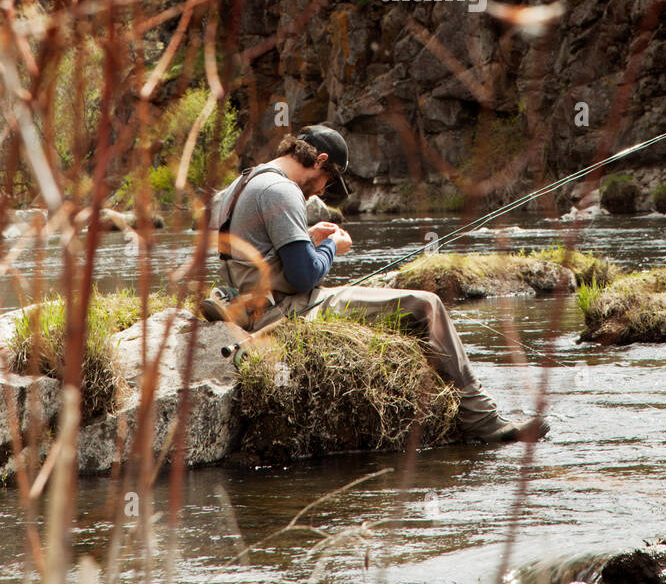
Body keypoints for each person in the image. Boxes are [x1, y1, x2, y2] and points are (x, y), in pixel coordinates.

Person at [202, 124, 549, 444]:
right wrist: (329, 247)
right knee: (427, 305)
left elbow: (252, 250)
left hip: (249, 298)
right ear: (320, 160)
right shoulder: (282, 190)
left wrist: (304, 236)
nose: (322, 191)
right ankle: (483, 420)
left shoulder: (247, 181)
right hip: (285, 308)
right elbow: (303, 276)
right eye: (328, 181)